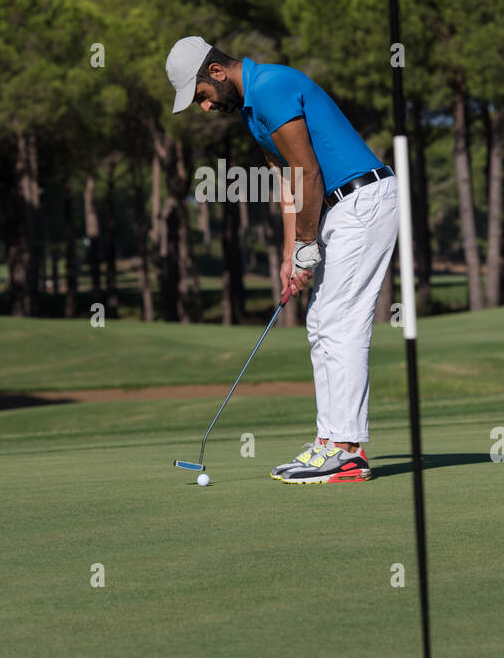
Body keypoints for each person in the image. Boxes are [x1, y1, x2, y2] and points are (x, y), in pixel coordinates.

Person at [165, 36, 398, 484]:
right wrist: (293, 253)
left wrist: (308, 244)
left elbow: (308, 169)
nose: (206, 109)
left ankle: (347, 451)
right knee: (321, 323)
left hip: (362, 201)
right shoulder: (254, 111)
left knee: (340, 321)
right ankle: (329, 442)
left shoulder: (271, 86)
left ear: (216, 73)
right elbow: (290, 184)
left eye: (202, 97)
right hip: (339, 208)